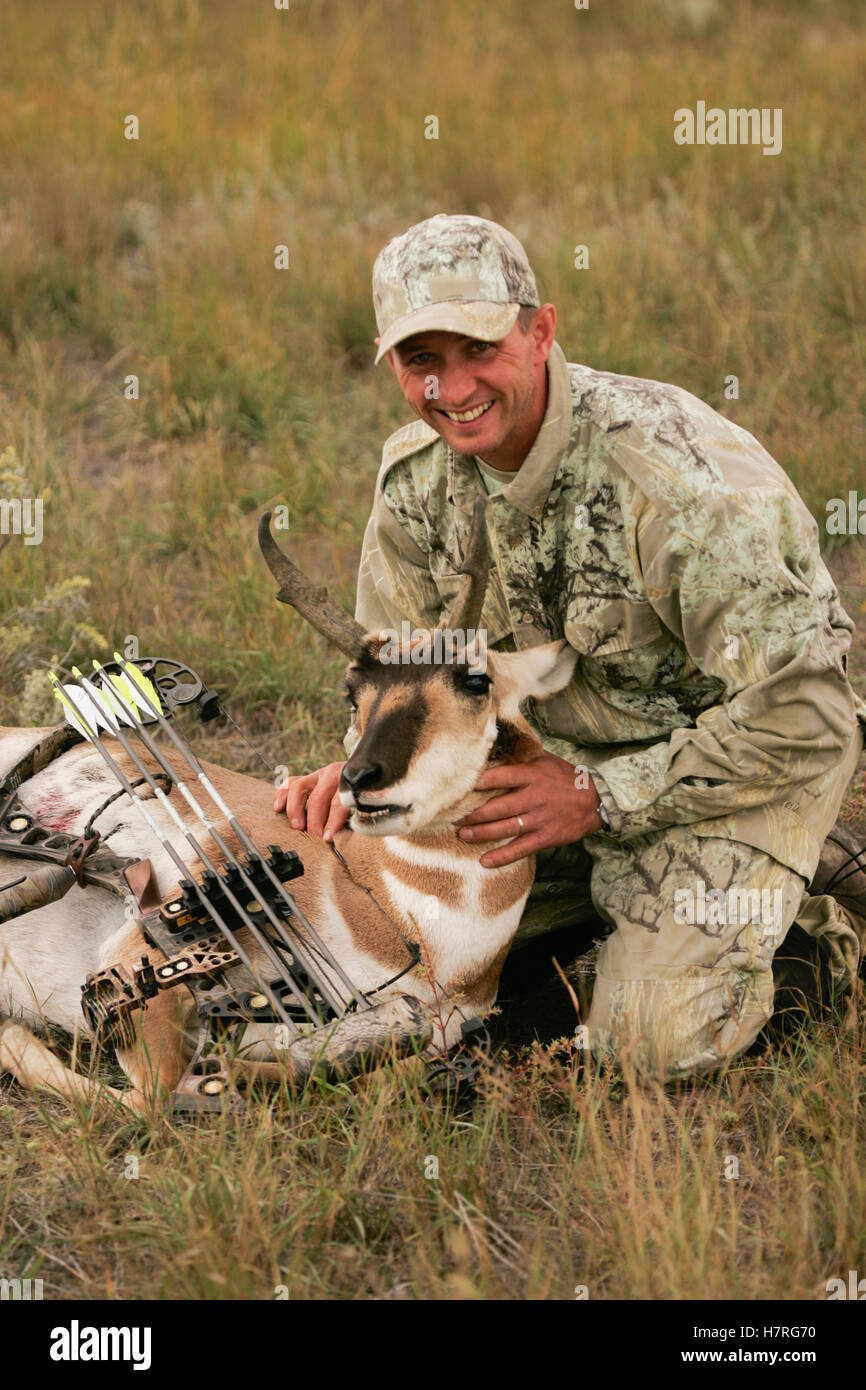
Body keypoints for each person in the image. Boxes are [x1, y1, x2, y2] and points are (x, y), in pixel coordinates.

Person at [275, 213, 866, 1079]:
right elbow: (399, 675)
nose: (454, 386)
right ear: (389, 360)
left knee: (652, 1042)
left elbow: (815, 714)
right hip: (532, 771)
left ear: (540, 329)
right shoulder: (415, 484)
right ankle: (621, 905)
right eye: (421, 362)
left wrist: (598, 792)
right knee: (379, 954)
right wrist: (365, 771)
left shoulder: (677, 487)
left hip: (732, 773)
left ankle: (815, 934)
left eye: (479, 348)